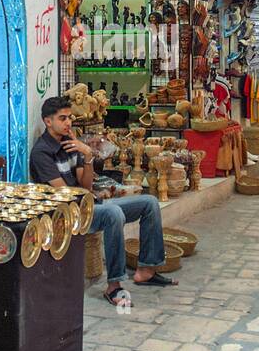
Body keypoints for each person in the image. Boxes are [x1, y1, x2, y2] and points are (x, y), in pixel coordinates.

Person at [29, 95, 174, 307]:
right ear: (48, 121)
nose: (68, 123)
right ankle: (114, 285)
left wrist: (87, 155)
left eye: (70, 117)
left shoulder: (72, 144)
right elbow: (66, 195)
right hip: (67, 212)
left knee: (149, 203)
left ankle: (146, 269)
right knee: (113, 214)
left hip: (87, 204)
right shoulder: (42, 152)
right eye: (63, 118)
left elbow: (86, 185)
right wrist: (92, 199)